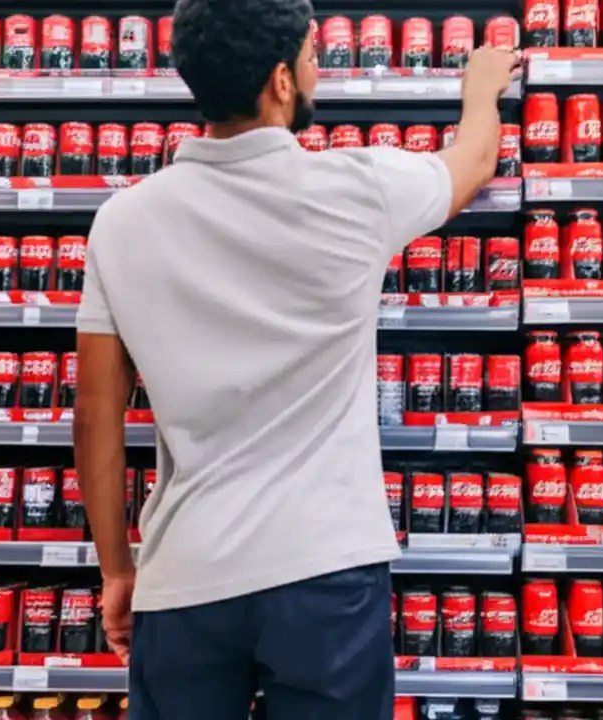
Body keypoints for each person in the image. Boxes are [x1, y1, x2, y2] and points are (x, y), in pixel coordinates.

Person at [73, 0, 518, 715]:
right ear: (281, 79)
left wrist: (118, 572)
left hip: (186, 572)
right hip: (326, 569)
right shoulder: (358, 188)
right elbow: (471, 162)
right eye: (312, 57)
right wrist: (480, 85)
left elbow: (96, 415)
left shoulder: (123, 220)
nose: (317, 71)